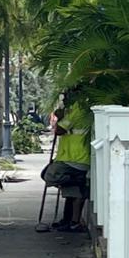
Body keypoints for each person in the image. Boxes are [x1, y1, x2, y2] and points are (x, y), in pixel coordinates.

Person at [42, 98, 91, 232]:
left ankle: (72, 221)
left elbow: (59, 130)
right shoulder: (75, 108)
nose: (64, 97)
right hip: (70, 157)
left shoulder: (78, 108)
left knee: (49, 175)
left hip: (75, 158)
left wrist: (60, 117)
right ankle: (68, 220)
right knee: (71, 190)